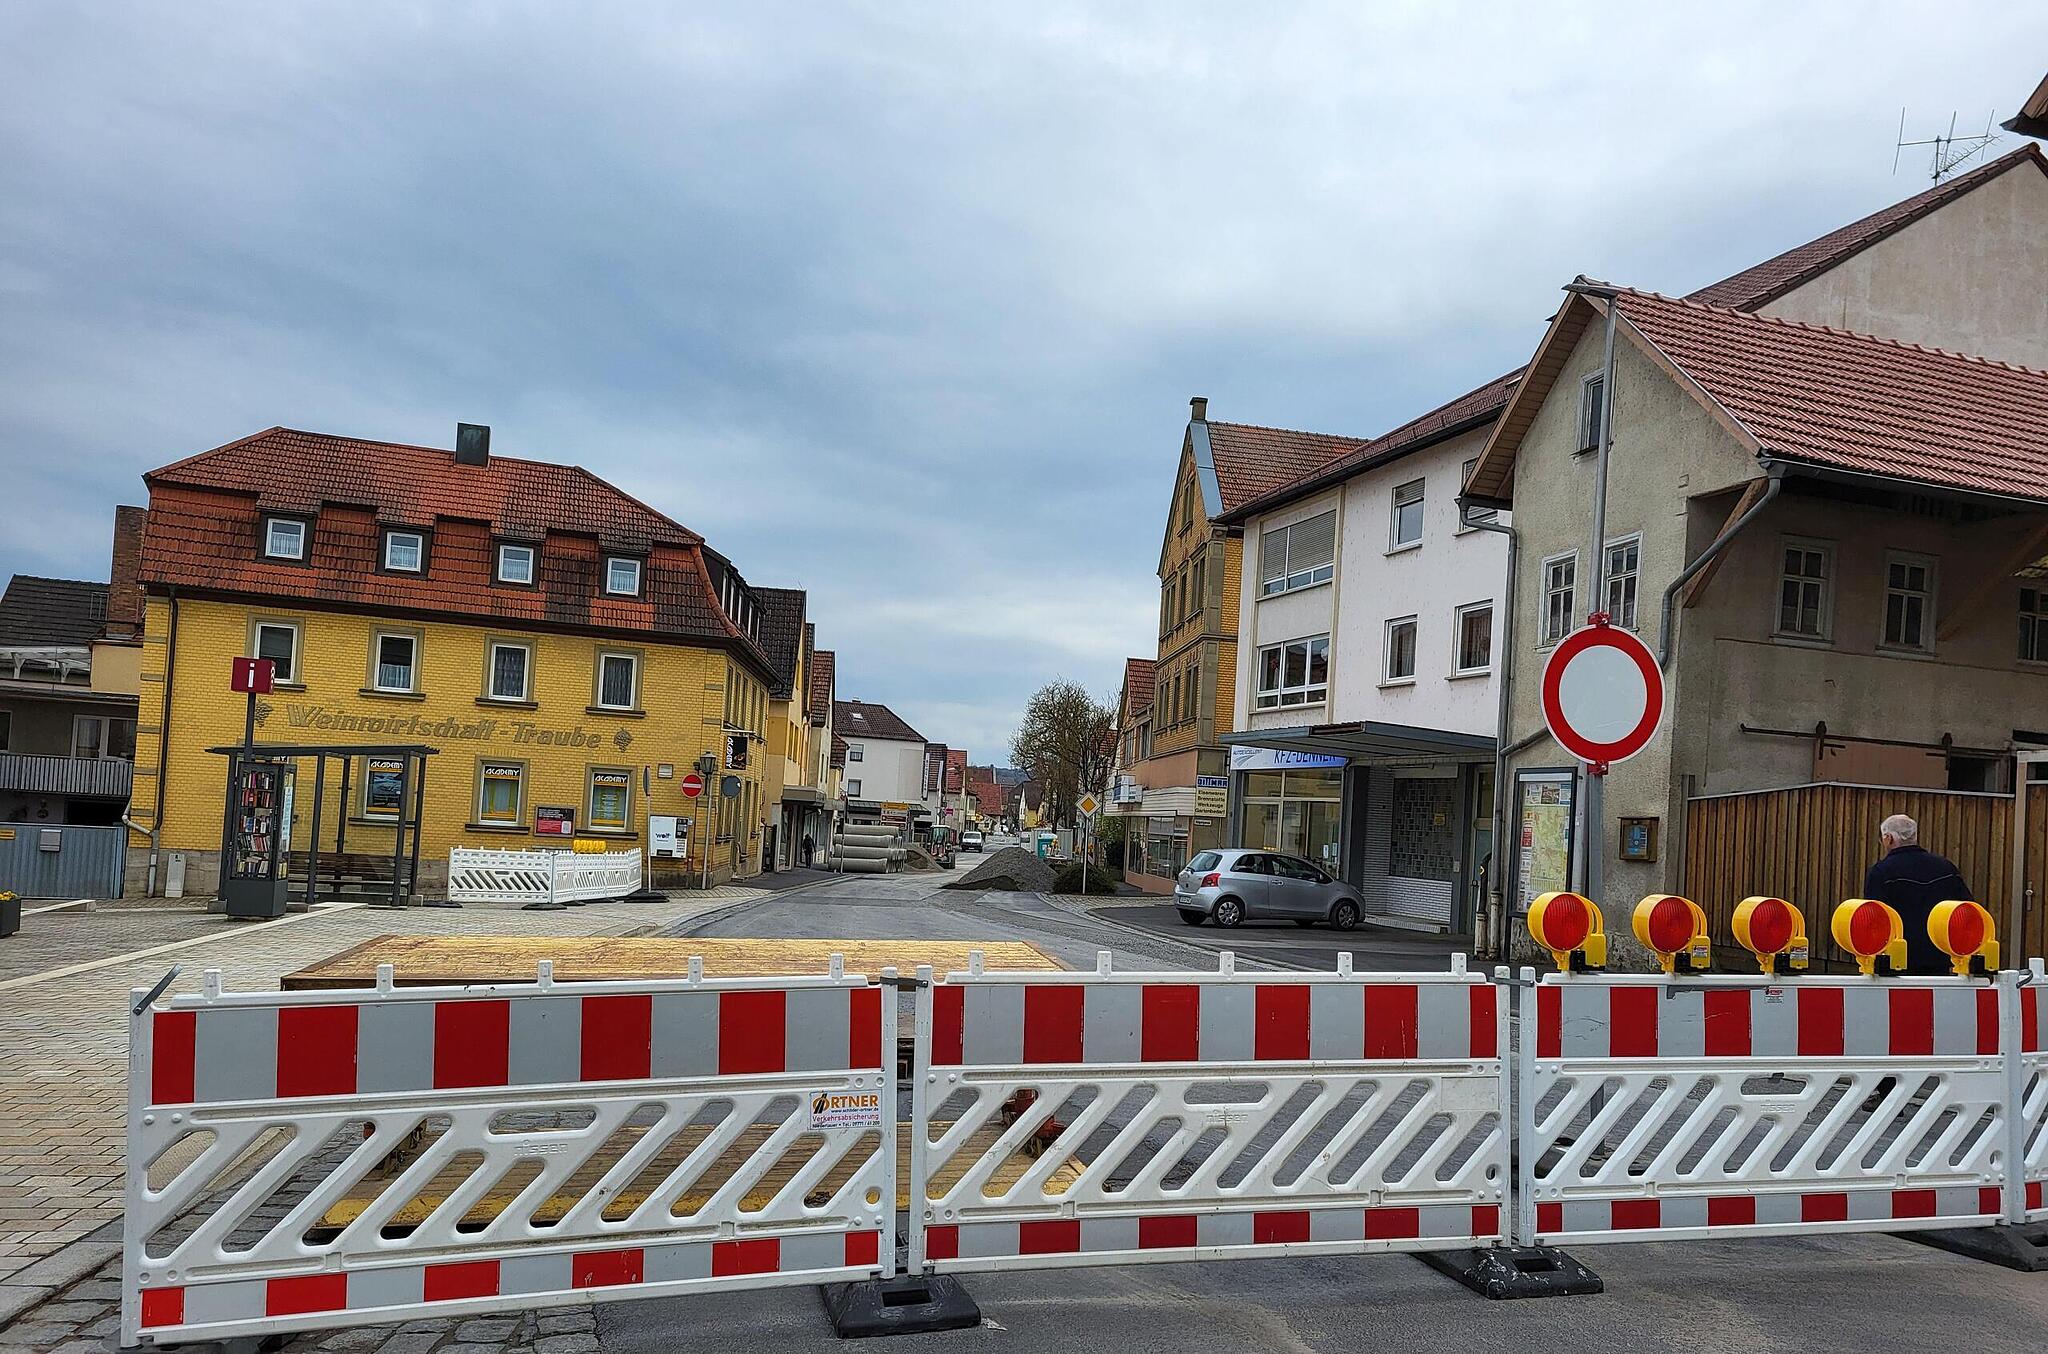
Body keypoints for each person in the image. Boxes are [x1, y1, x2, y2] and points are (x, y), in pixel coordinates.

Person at [1862, 813, 1971, 975]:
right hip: (1940, 954)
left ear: (1888, 838)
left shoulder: (1881, 872)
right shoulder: (1946, 868)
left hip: (1896, 957)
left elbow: (1873, 917)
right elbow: (1966, 907)